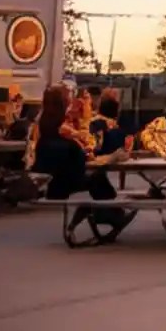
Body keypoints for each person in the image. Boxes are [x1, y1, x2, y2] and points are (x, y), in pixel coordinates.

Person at [31, 84, 132, 239]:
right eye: (69, 98)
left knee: (96, 179)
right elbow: (84, 159)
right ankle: (110, 214)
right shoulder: (64, 130)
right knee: (98, 178)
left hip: (50, 182)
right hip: (63, 184)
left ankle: (109, 214)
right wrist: (112, 157)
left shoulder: (43, 128)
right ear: (63, 104)